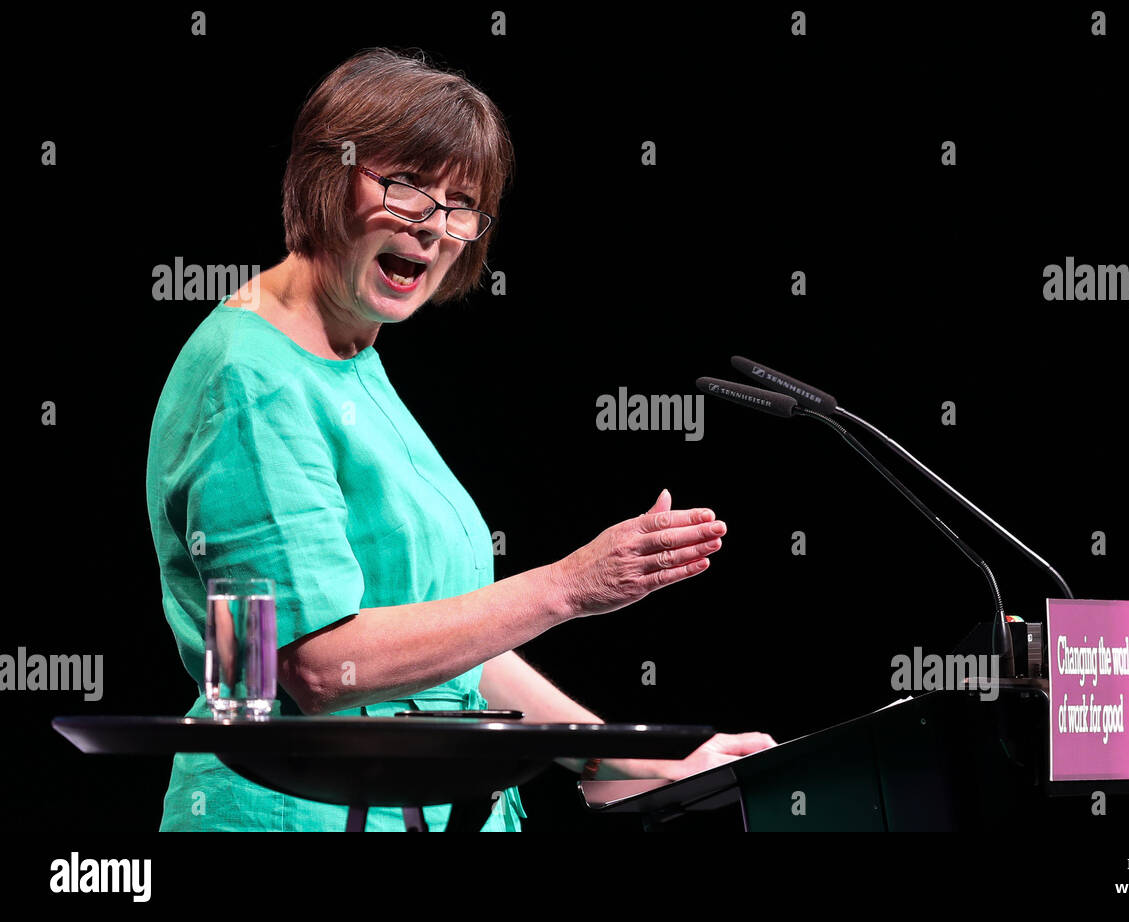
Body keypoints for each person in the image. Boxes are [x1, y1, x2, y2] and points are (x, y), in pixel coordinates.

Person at [145, 47, 775, 831]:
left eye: (460, 203)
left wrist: (631, 761)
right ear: (321, 176)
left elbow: (450, 650)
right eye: (405, 183)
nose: (433, 225)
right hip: (290, 813)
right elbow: (314, 665)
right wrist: (567, 586)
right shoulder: (250, 377)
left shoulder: (350, 360)